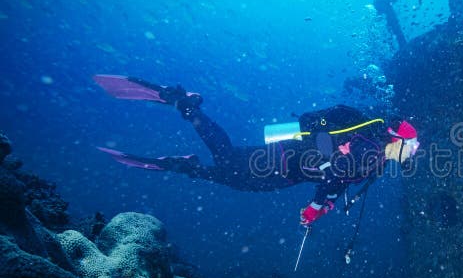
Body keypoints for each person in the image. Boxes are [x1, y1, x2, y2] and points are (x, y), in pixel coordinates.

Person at [93, 75, 419, 227]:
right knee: (228, 159)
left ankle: (187, 166)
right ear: (398, 140)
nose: (414, 152)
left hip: (286, 174)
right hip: (283, 160)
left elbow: (339, 180)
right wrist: (317, 204)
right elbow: (333, 171)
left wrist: (325, 204)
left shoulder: (374, 162)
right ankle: (186, 105)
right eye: (414, 146)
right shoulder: (370, 145)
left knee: (235, 179)